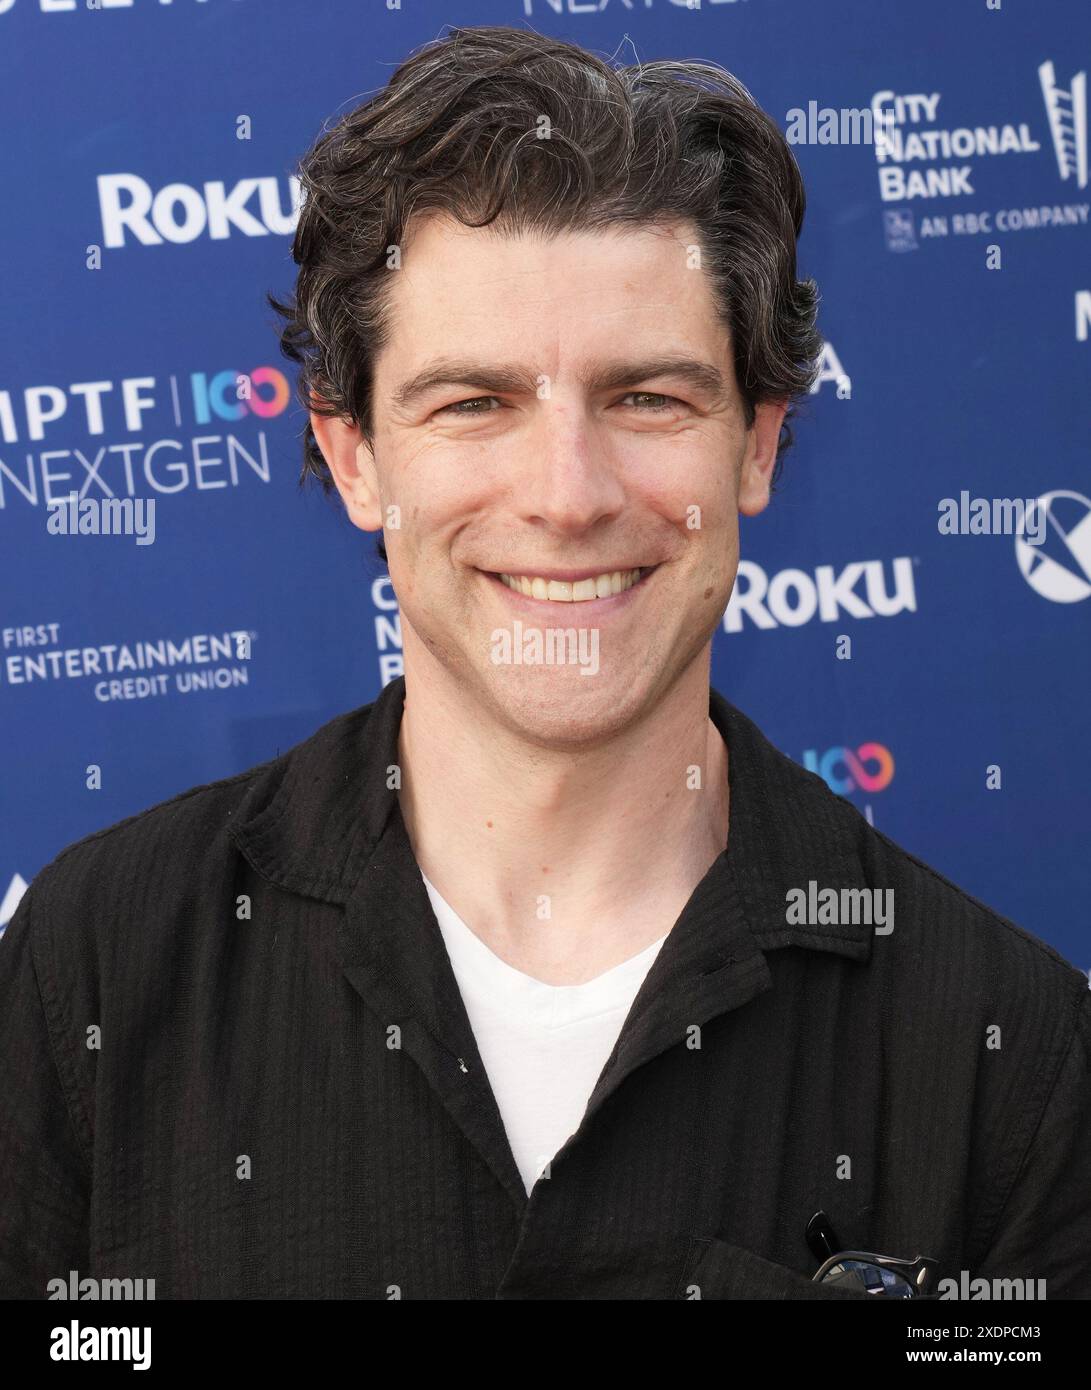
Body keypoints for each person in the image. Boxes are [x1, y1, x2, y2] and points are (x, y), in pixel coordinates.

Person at [2, 25, 1088, 1301]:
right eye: (474, 402)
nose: (567, 495)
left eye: (647, 399)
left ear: (756, 445)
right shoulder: (99, 963)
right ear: (354, 457)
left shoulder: (1002, 1053)